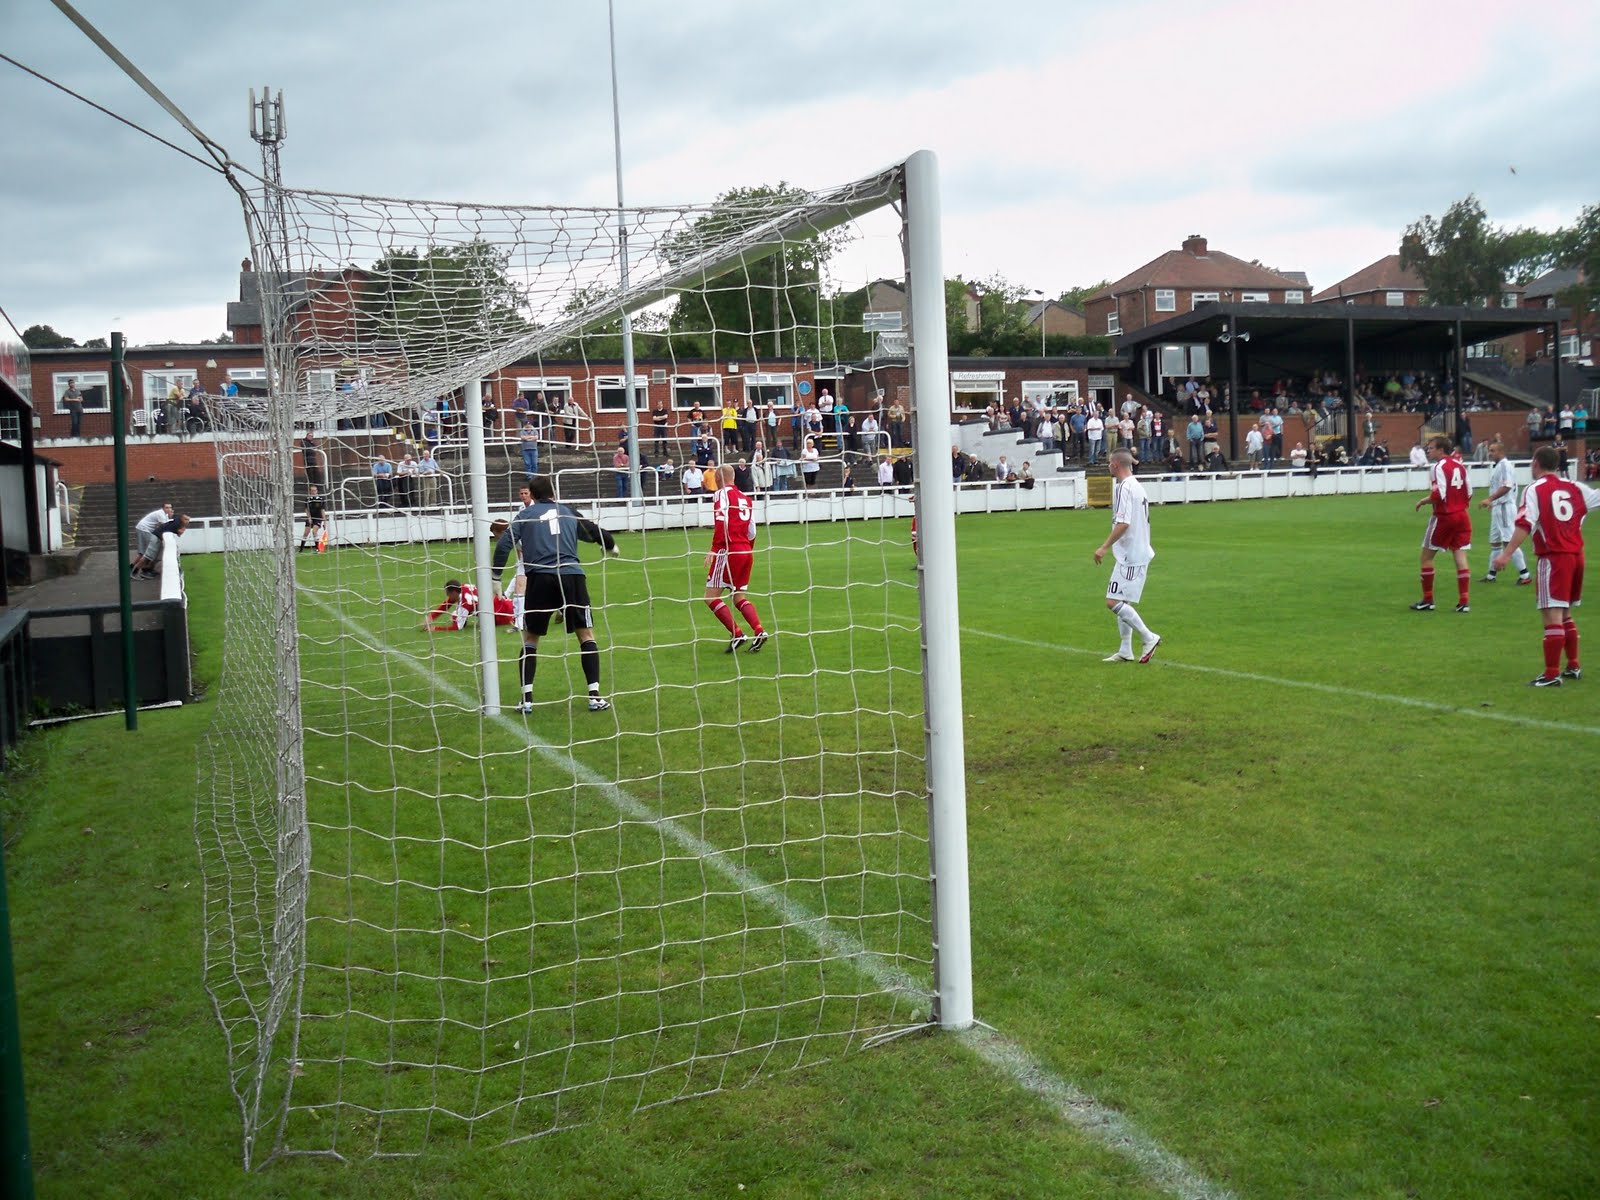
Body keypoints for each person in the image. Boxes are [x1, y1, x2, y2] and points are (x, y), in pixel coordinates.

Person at [492, 475, 619, 713]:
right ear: (553, 492)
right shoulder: (567, 512)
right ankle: (594, 696)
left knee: (531, 638)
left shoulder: (525, 515)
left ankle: (527, 700)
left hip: (540, 577)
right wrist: (610, 545)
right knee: (586, 635)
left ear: (533, 494)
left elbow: (504, 544)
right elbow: (595, 531)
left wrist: (496, 576)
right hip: (572, 576)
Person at [1491, 445, 1599, 686]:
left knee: (1551, 614)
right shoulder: (1575, 487)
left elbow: (1525, 524)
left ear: (1536, 463)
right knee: (1565, 612)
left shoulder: (1534, 489)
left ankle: (1551, 674)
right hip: (1576, 556)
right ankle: (1573, 665)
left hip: (1553, 557)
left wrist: (1506, 554)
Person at [1093, 449, 1161, 663]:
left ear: (1115, 464)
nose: (1108, 466)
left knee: (1112, 601)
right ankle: (1125, 650)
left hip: (1132, 554)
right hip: (1134, 551)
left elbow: (1124, 523)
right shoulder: (1137, 486)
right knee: (1122, 599)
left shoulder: (1124, 487)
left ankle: (1149, 637)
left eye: (1109, 463)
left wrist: (1104, 547)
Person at [702, 464, 769, 653]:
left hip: (728, 550)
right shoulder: (746, 499)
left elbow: (720, 519)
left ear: (720, 478)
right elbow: (752, 530)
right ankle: (759, 630)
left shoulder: (721, 494)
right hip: (746, 551)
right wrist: (747, 550)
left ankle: (737, 633)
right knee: (739, 596)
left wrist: (715, 548)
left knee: (710, 596)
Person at [1411, 436, 1473, 613]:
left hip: (1445, 516)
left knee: (1426, 557)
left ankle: (1428, 599)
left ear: (1440, 450)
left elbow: (1439, 494)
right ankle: (1464, 602)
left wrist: (1424, 501)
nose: (1428, 451)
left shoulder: (1437, 467)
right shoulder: (1460, 466)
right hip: (1462, 516)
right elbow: (1469, 492)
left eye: (1431, 448)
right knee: (1460, 557)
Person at [1478, 439, 1531, 585]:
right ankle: (1491, 575)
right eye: (1489, 450)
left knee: (1509, 541)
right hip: (1499, 506)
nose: (1490, 453)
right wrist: (1493, 503)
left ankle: (1525, 574)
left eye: (1493, 451)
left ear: (1501, 452)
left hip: (1504, 507)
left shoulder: (1504, 466)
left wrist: (1490, 499)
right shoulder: (1500, 466)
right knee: (1495, 542)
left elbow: (1507, 486)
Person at [420, 579, 516, 632]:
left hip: (502, 616)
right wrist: (431, 617)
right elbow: (447, 604)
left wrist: (435, 628)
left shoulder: (465, 604)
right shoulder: (463, 587)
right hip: (507, 604)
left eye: (448, 593)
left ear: (453, 592)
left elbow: (457, 627)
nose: (447, 596)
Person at [130, 502, 174, 577]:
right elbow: (165, 527)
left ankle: (132, 567)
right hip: (144, 529)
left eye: (170, 507)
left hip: (144, 529)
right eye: (167, 507)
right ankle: (141, 570)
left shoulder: (164, 515)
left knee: (144, 552)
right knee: (148, 551)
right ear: (163, 508)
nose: (169, 509)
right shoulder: (161, 514)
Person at [299, 486, 327, 553]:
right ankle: (301, 549)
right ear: (310, 491)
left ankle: (318, 549)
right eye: (312, 490)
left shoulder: (320, 500)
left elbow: (322, 510)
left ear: (317, 491)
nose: (313, 492)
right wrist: (309, 517)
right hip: (310, 518)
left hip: (318, 518)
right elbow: (306, 509)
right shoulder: (308, 499)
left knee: (314, 531)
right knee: (306, 533)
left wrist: (324, 521)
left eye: (315, 490)